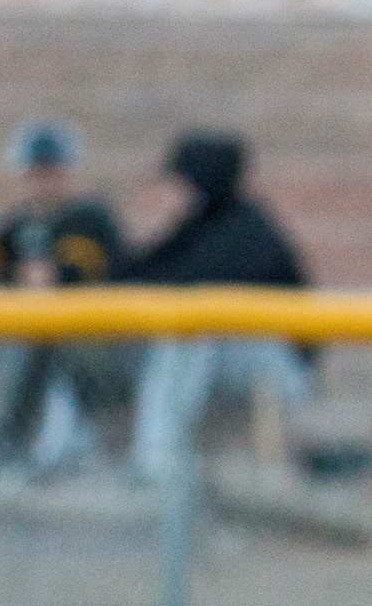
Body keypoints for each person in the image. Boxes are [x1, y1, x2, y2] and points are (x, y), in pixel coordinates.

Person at [121, 130, 312, 482]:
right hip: (226, 357)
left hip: (276, 364)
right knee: (178, 333)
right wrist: (144, 231)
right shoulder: (195, 225)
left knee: (192, 330)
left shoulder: (248, 226)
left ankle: (156, 467)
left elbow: (193, 286)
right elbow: (133, 275)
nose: (175, 191)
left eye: (181, 181)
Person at [0, 119, 126, 477]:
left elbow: (60, 276)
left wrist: (12, 273)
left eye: (50, 171)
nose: (42, 182)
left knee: (37, 340)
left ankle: (18, 445)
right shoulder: (22, 221)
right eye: (34, 173)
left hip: (93, 346)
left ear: (67, 172)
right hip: (34, 339)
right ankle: (5, 447)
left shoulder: (89, 217)